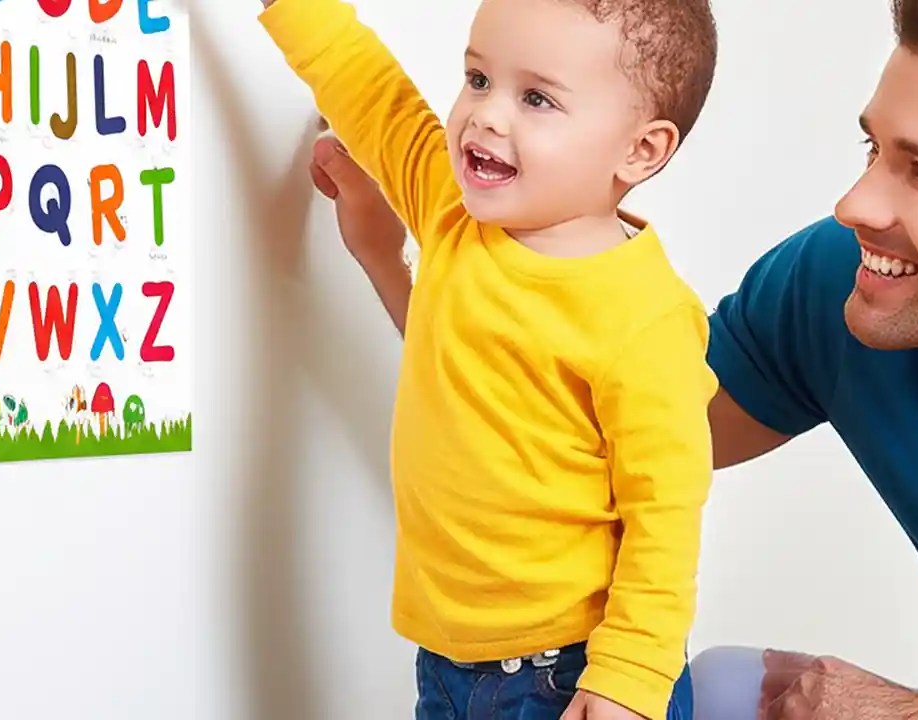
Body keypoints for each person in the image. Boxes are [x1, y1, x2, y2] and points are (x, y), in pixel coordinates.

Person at [303, 0, 918, 718]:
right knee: (733, 688)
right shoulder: (844, 287)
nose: (854, 204)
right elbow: (553, 419)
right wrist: (392, 261)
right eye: (871, 149)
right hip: (489, 667)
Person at [255, 0, 723, 717]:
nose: (486, 116)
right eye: (477, 79)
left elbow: (665, 512)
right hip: (446, 665)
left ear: (640, 150)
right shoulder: (450, 210)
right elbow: (370, 90)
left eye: (536, 98)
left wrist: (628, 675)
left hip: (572, 672)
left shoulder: (645, 317)